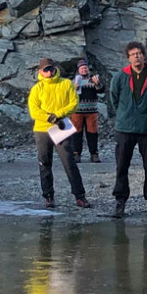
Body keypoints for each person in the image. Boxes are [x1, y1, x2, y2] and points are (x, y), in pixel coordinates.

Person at [108, 41, 147, 218]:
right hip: (125, 129)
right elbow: (113, 98)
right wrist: (124, 115)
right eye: (133, 54)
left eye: (139, 53)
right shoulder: (120, 77)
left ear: (144, 55)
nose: (136, 57)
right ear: (128, 58)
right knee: (122, 166)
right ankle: (120, 202)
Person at [27, 58, 90, 209]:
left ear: (55, 69)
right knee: (44, 163)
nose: (48, 72)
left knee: (69, 162)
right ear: (40, 72)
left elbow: (74, 103)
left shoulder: (66, 84)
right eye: (45, 70)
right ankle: (48, 197)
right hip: (42, 128)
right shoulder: (37, 89)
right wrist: (50, 117)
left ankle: (79, 196)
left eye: (50, 69)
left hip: (62, 125)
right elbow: (34, 110)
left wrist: (58, 115)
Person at [71, 58, 106, 163]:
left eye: (85, 68)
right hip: (77, 111)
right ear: (78, 70)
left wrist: (98, 83)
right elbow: (67, 95)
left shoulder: (93, 80)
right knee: (76, 134)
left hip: (92, 111)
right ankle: (76, 153)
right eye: (82, 68)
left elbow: (101, 90)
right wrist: (74, 88)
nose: (84, 70)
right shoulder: (73, 81)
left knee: (92, 133)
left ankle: (94, 154)